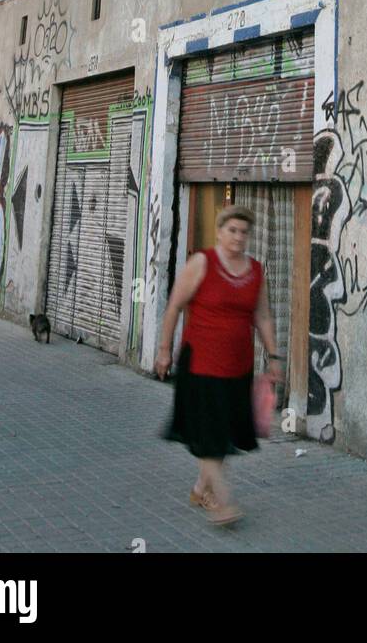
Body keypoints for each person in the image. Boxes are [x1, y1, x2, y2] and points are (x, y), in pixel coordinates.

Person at [156, 204, 282, 526]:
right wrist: (164, 350)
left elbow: (263, 316)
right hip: (200, 364)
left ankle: (201, 488)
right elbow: (174, 306)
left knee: (222, 433)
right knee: (209, 435)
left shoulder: (255, 270)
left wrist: (274, 355)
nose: (238, 237)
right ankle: (223, 502)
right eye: (232, 230)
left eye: (244, 232)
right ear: (219, 232)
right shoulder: (202, 263)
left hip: (238, 367)